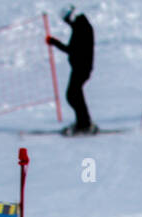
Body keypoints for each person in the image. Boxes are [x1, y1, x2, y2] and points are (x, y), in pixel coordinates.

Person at [47, 6, 96, 134]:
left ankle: (84, 124)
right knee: (74, 95)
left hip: (82, 67)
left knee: (73, 95)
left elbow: (71, 49)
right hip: (80, 67)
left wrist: (54, 42)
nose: (67, 23)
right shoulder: (80, 26)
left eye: (67, 20)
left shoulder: (82, 28)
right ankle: (83, 122)